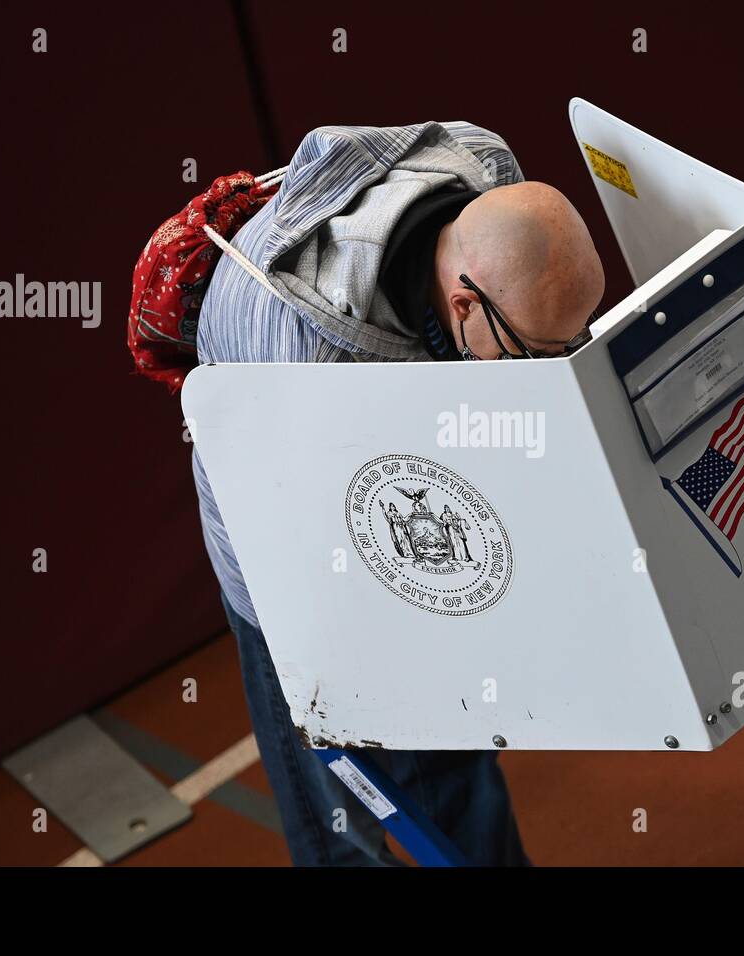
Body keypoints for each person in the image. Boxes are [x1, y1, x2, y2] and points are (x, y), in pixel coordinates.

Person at [192, 121, 605, 866]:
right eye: (538, 357)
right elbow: (313, 570)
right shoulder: (303, 351)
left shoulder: (487, 171)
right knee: (355, 816)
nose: (553, 375)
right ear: (466, 304)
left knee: (457, 764)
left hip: (394, 462)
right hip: (288, 553)